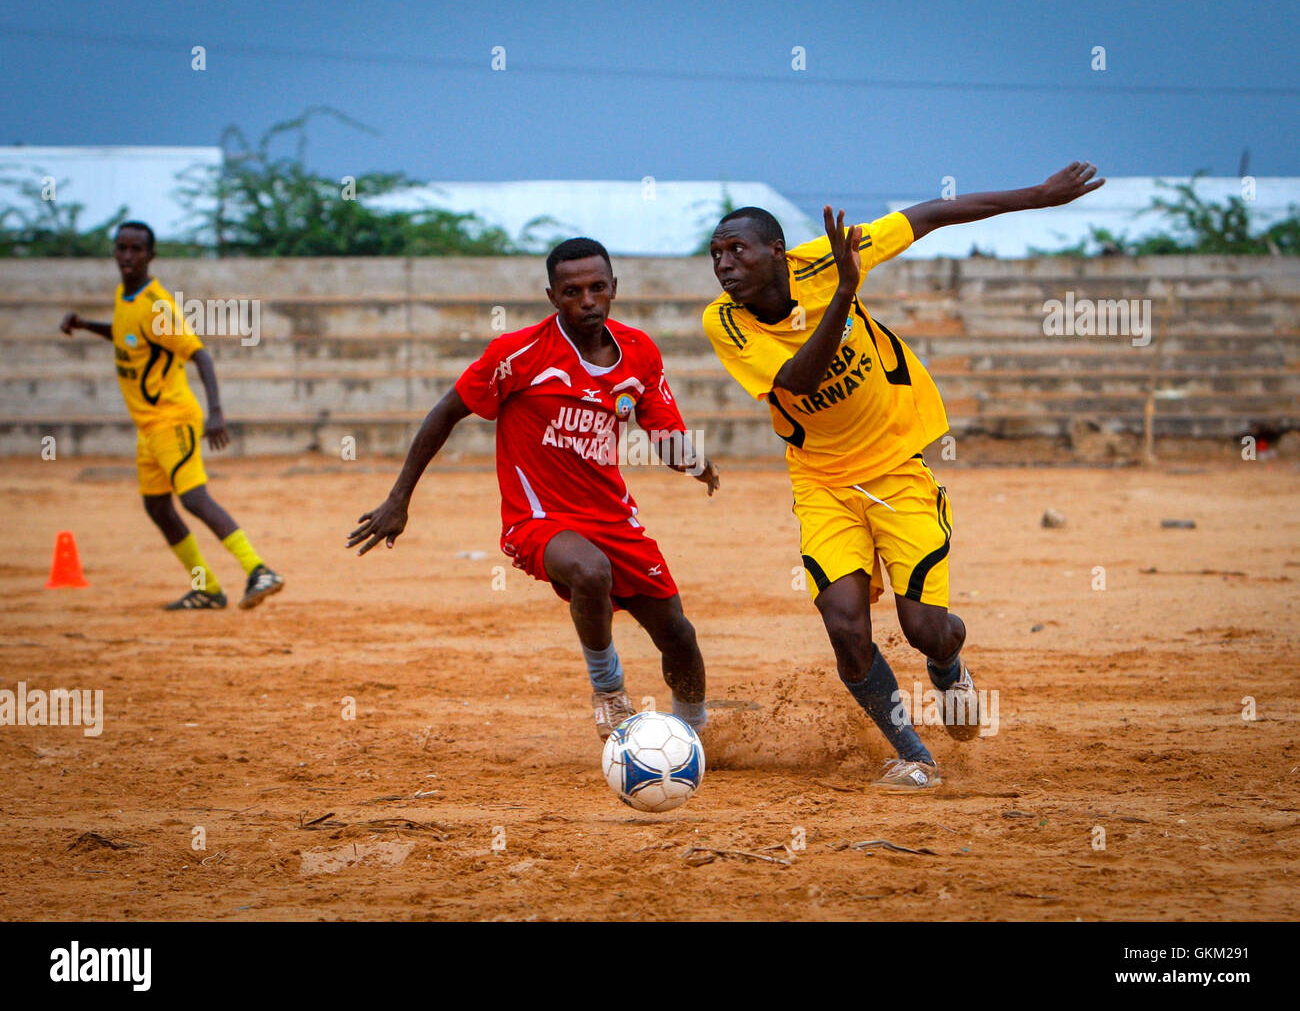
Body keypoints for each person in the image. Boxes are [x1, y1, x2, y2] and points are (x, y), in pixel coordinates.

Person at [703, 162, 1105, 790]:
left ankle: (950, 668)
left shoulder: (826, 259)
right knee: (845, 627)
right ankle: (913, 754)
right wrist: (844, 295)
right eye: (716, 254)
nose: (725, 265)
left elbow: (930, 215)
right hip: (823, 483)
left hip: (895, 468)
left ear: (777, 252)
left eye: (737, 250)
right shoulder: (724, 321)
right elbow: (798, 381)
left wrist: (1037, 196)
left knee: (925, 630)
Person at [348, 238, 720, 739]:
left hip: (614, 518)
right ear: (552, 296)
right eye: (572, 291)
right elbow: (445, 414)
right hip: (537, 520)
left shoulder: (639, 352)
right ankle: (608, 691)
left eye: (597, 288)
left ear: (614, 289)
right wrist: (399, 499)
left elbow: (664, 434)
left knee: (678, 636)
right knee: (590, 571)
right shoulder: (517, 354)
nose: (586, 301)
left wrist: (692, 460)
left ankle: (694, 735)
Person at [59, 221, 285, 610]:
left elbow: (200, 353)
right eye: (122, 248)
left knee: (194, 499)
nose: (128, 256)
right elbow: (126, 334)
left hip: (173, 419)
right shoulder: (125, 296)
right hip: (148, 427)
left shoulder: (157, 305)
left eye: (136, 250)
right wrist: (85, 326)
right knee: (158, 508)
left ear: (151, 256)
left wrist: (216, 412)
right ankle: (208, 588)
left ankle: (259, 569)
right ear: (115, 252)